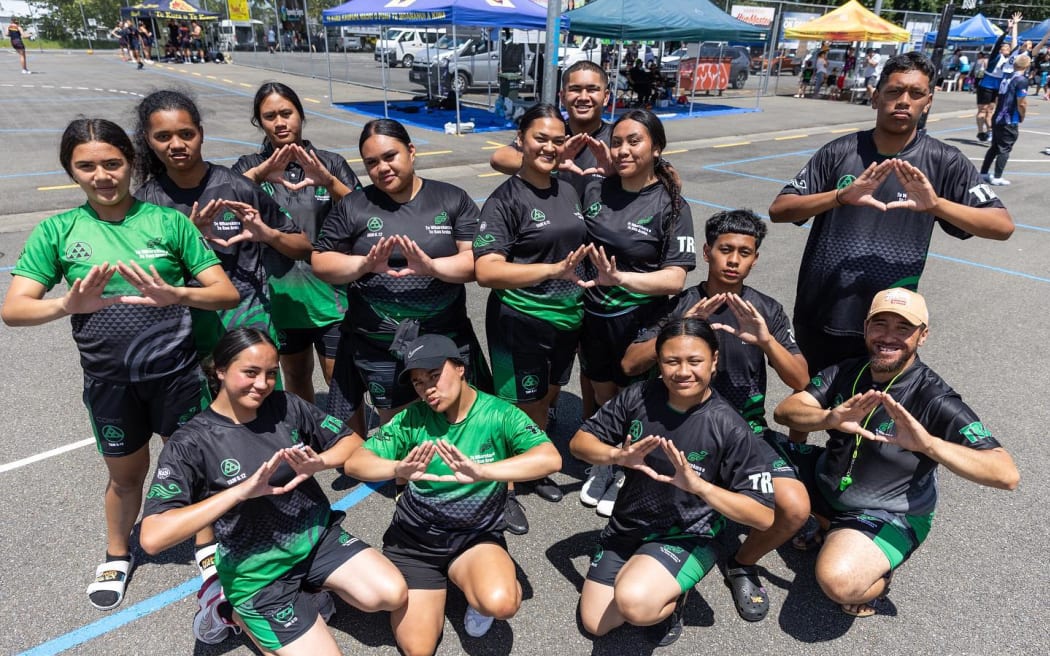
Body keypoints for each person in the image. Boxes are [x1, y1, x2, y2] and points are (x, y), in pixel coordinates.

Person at [1, 118, 239, 612]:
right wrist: (66, 305)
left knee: (192, 467)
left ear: (130, 164)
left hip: (177, 376)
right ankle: (116, 553)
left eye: (112, 163)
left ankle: (205, 546)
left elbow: (224, 293)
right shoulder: (58, 231)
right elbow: (15, 309)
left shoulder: (169, 224)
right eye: (86, 166)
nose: (101, 176)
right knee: (126, 477)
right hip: (110, 384)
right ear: (71, 171)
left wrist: (175, 294)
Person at [140, 328, 408, 650]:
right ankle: (227, 608)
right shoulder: (191, 443)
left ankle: (310, 590)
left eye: (270, 373)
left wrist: (318, 462)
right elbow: (153, 538)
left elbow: (353, 444)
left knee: (392, 593)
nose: (263, 384)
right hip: (258, 575)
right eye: (250, 372)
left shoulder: (285, 405)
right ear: (220, 370)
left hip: (315, 539)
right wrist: (239, 492)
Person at [768, 51, 1014, 381]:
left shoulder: (944, 161)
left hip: (890, 323)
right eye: (894, 91)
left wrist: (936, 205)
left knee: (869, 416)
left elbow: (1001, 226)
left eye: (915, 94)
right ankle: (796, 437)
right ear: (876, 96)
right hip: (821, 309)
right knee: (806, 401)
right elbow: (779, 210)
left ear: (928, 102)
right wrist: (840, 196)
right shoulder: (840, 151)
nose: (904, 101)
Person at [773, 288, 1019, 617]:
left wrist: (928, 444)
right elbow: (786, 411)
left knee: (839, 581)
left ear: (923, 335)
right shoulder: (849, 370)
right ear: (865, 327)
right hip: (827, 479)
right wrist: (828, 418)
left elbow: (1006, 474)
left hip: (886, 512)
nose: (888, 337)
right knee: (747, 450)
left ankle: (875, 573)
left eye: (903, 328)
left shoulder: (934, 398)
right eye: (880, 324)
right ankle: (826, 521)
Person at [621, 210, 810, 622]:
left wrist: (766, 341)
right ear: (707, 251)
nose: (733, 260)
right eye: (725, 249)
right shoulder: (678, 304)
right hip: (682, 428)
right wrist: (684, 326)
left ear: (755, 259)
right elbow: (630, 365)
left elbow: (800, 380)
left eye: (745, 252)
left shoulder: (766, 309)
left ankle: (741, 562)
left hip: (747, 429)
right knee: (669, 510)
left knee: (794, 509)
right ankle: (669, 576)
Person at [343, 334, 562, 654]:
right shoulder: (412, 417)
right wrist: (397, 469)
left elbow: (550, 459)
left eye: (434, 376)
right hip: (415, 541)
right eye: (418, 382)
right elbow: (355, 463)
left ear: (460, 368)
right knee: (417, 649)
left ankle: (476, 587)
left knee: (499, 603)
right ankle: (437, 586)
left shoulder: (498, 413)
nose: (427, 388)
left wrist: (484, 472)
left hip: (474, 537)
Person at [570, 318, 776, 646]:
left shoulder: (730, 427)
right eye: (671, 361)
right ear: (659, 362)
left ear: (714, 361)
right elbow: (579, 443)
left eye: (694, 361)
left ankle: (673, 596)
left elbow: (764, 517)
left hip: (687, 534)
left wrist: (701, 487)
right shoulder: (637, 396)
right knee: (596, 624)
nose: (683, 371)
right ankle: (645, 574)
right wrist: (616, 456)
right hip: (627, 527)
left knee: (634, 604)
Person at [312, 118, 490, 429]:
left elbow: (474, 262)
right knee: (400, 426)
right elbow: (321, 262)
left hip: (443, 338)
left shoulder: (451, 198)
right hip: (379, 343)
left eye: (389, 156)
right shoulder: (354, 206)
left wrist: (432, 267)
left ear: (410, 151)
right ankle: (402, 478)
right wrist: (363, 265)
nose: (382, 168)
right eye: (371, 162)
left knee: (456, 421)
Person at [474, 103, 590, 534]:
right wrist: (551, 271)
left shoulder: (568, 189)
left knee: (544, 400)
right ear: (519, 141)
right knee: (514, 407)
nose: (550, 146)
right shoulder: (504, 199)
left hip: (566, 318)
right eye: (540, 138)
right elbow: (486, 271)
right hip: (518, 319)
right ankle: (499, 491)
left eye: (558, 140)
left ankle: (532, 467)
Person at [576, 109, 695, 516]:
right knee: (605, 392)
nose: (623, 149)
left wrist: (621, 279)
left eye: (634, 141)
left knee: (636, 397)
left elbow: (675, 279)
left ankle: (630, 469)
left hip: (643, 320)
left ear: (656, 148)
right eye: (618, 142)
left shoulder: (672, 204)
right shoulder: (593, 190)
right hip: (594, 316)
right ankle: (608, 461)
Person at [133, 89, 312, 359]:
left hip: (247, 326)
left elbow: (302, 247)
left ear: (201, 134)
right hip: (183, 333)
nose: (177, 144)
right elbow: (140, 275)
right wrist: (187, 239)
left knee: (260, 399)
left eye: (186, 134)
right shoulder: (146, 203)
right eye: (163, 137)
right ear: (149, 140)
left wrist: (268, 235)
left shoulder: (238, 188)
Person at [233, 82, 362, 410]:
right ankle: (308, 440)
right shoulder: (249, 166)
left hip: (332, 298)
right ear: (259, 122)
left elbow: (365, 210)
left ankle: (350, 447)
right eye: (269, 116)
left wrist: (329, 182)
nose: (279, 122)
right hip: (281, 298)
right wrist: (261, 173)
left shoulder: (330, 163)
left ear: (301, 115)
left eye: (286, 113)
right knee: (296, 373)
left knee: (339, 378)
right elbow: (223, 203)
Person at [980, 54, 1030, 186]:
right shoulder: (1021, 80)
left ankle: (984, 172)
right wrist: (1022, 115)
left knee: (994, 147)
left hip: (998, 116)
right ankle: (997, 176)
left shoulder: (1007, 77)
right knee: (1005, 148)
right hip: (1009, 118)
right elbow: (1021, 102)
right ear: (1027, 66)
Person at [976, 14, 1019, 142]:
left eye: (1007, 47)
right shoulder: (996, 57)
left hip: (998, 86)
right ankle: (980, 131)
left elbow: (1015, 43)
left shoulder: (1010, 60)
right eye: (1003, 47)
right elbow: (999, 42)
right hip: (987, 85)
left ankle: (989, 131)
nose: (1005, 48)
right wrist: (1007, 29)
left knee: (991, 110)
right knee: (982, 110)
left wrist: (1016, 26)